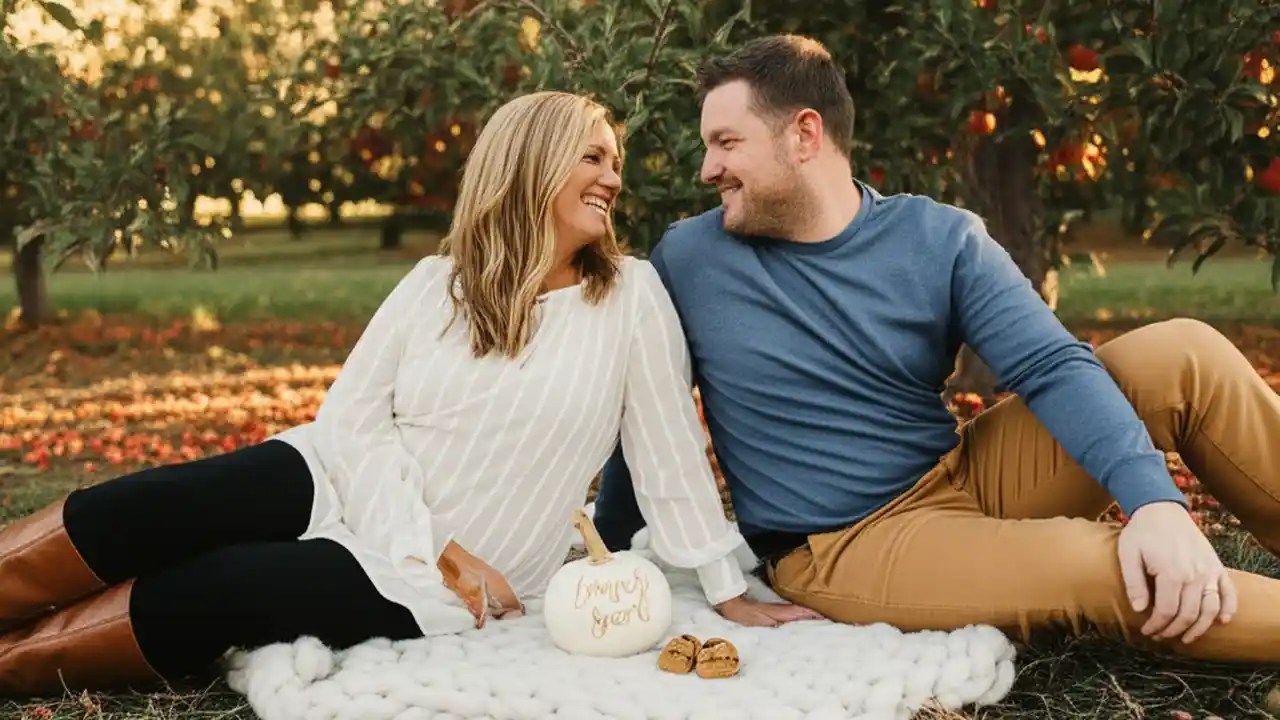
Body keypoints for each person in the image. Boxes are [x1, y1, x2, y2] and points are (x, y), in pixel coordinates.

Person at [0, 90, 814, 697]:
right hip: (340, 481)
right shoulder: (438, 283)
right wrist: (427, 537)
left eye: (615, 162)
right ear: (530, 162)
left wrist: (726, 589)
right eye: (592, 157)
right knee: (139, 509)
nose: (613, 178)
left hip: (447, 582)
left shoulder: (629, 297)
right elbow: (350, 420)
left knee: (218, 589)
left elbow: (670, 450)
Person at [593, 34, 1280, 661]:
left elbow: (1052, 365)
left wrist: (1155, 502)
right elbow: (647, 413)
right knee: (1106, 566)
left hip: (960, 474)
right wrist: (612, 551)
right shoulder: (692, 257)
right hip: (846, 544)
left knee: (1184, 355)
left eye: (725, 143)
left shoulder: (938, 237)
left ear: (804, 134)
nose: (708, 168)